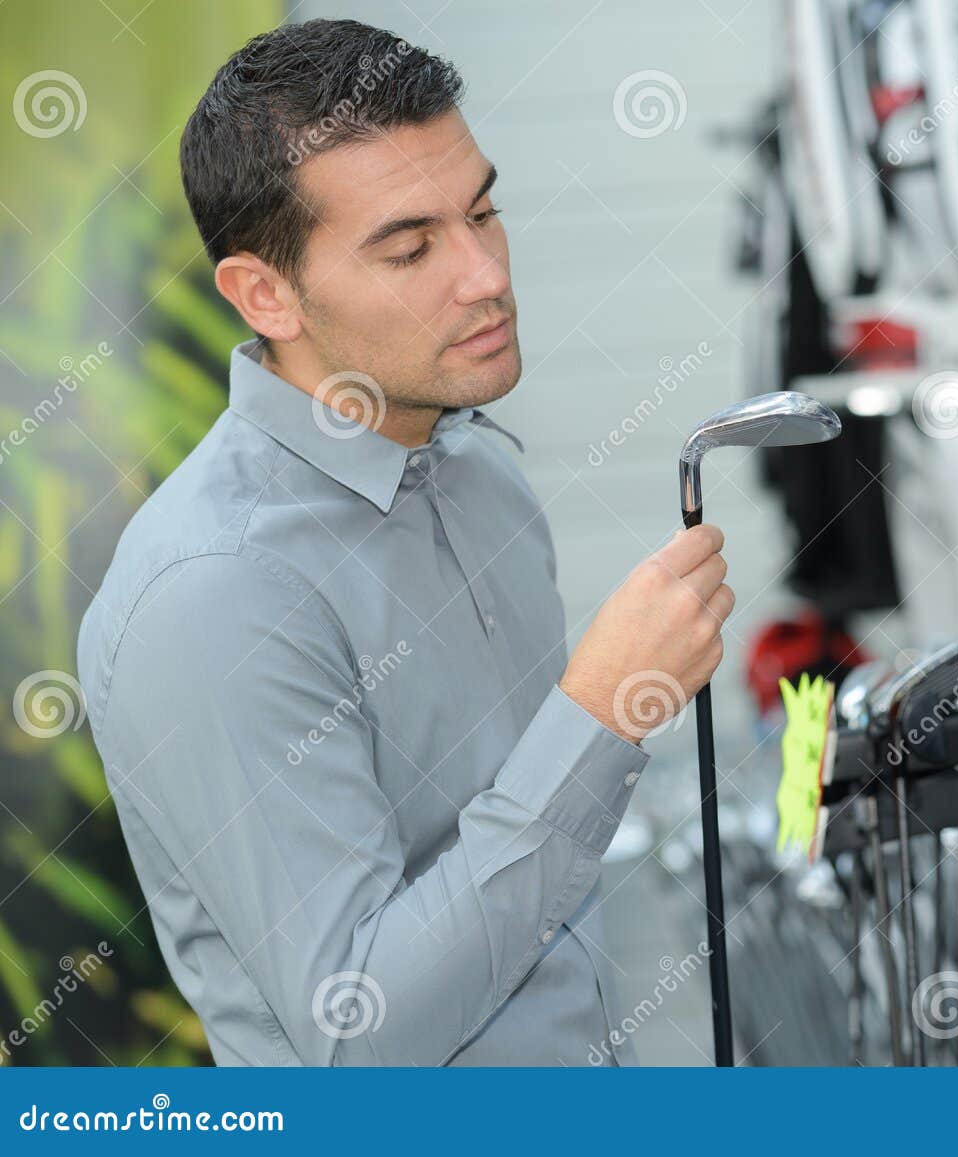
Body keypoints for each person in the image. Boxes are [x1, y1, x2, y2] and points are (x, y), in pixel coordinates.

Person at [75, 18, 731, 1065]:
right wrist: (602, 713)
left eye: (483, 213)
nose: (484, 275)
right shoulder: (211, 594)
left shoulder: (481, 472)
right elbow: (361, 1036)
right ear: (263, 293)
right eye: (411, 248)